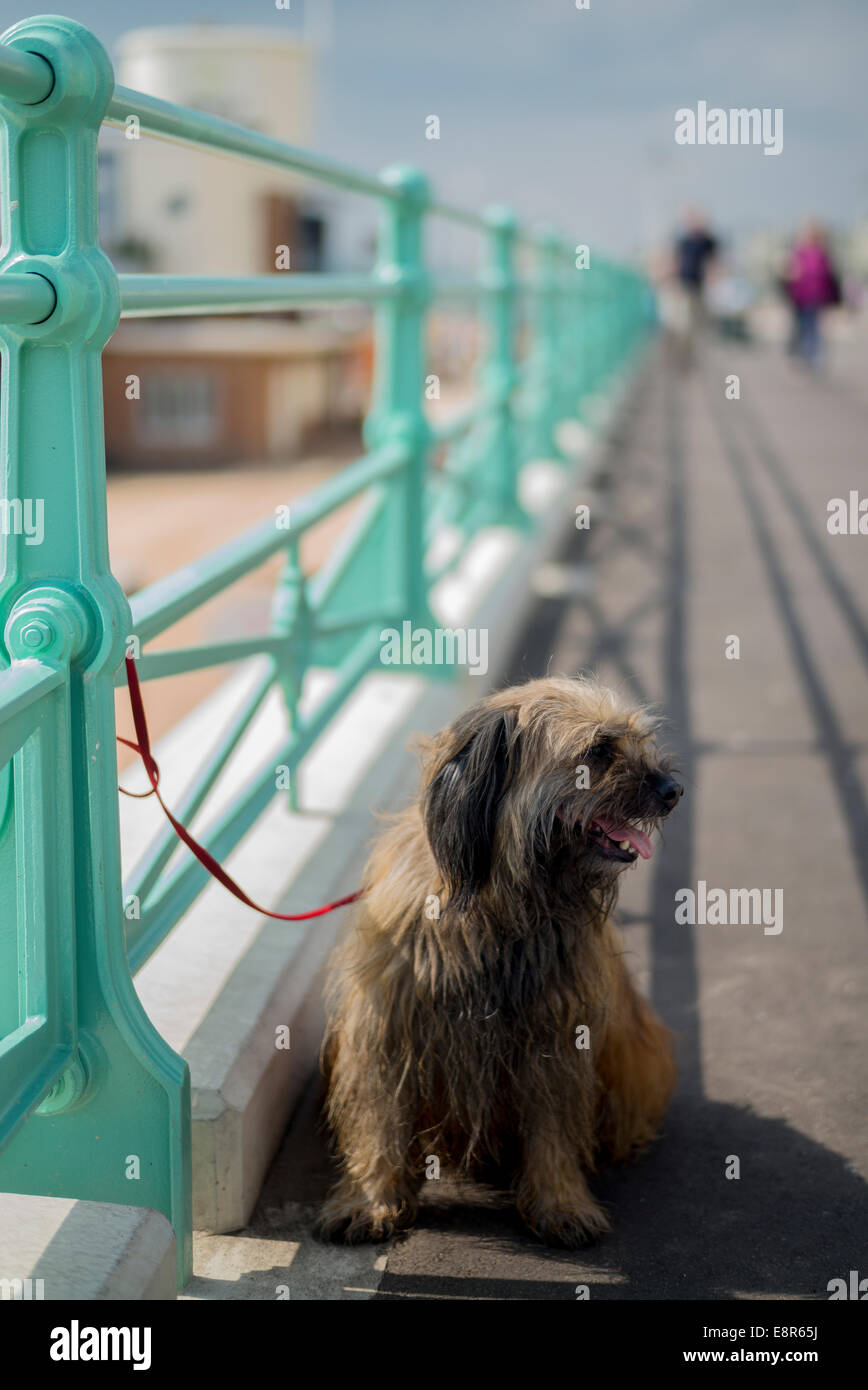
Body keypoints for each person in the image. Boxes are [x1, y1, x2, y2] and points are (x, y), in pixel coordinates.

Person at [785, 221, 840, 367]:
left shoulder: (822, 253)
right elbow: (791, 273)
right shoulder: (800, 252)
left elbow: (829, 276)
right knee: (804, 327)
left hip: (817, 297)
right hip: (801, 297)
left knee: (814, 328)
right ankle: (806, 354)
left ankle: (812, 357)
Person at [672, 208, 718, 364]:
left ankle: (701, 352)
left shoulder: (708, 241)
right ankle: (686, 354)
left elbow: (714, 262)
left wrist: (713, 279)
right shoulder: (684, 241)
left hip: (702, 286)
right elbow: (677, 262)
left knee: (701, 320)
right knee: (685, 322)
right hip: (685, 285)